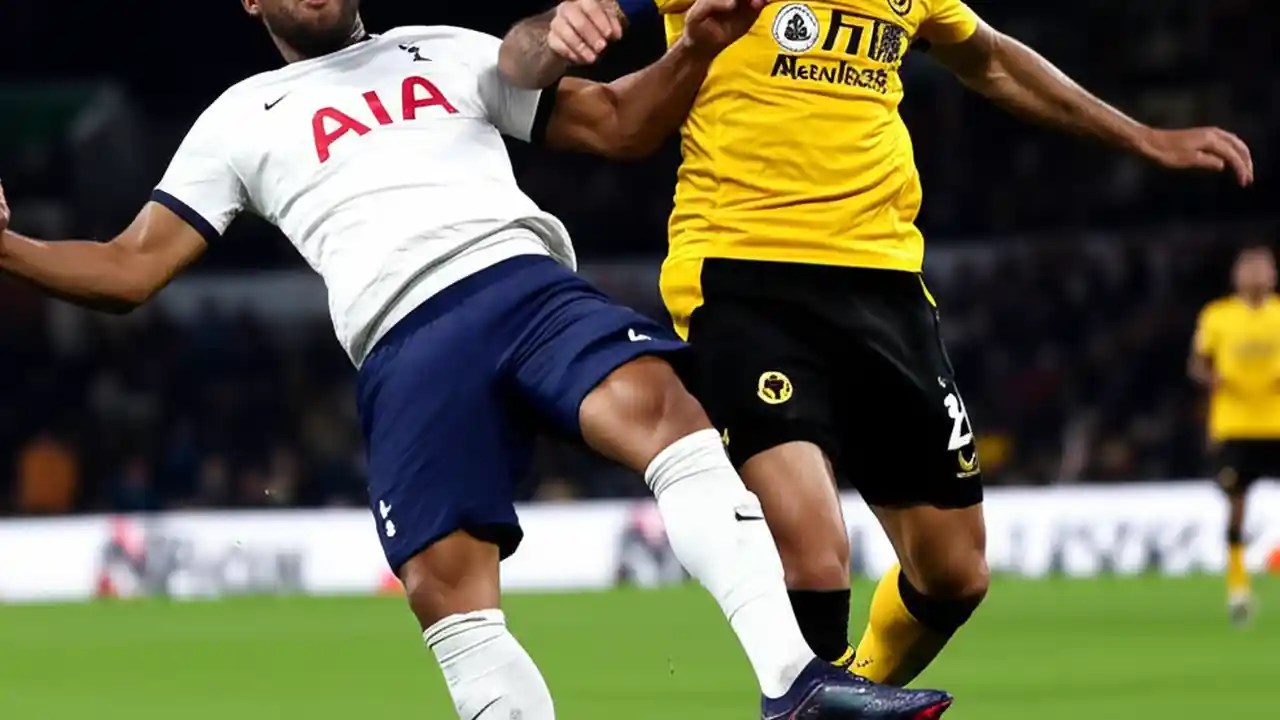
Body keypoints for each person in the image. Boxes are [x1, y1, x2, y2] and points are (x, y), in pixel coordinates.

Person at [0, 1, 955, 718]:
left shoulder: (447, 49)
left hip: (521, 282)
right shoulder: (239, 117)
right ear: (251, 2)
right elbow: (130, 268)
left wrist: (696, 46)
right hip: (402, 339)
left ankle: (794, 682)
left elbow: (619, 122)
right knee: (448, 599)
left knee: (669, 412)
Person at [498, 0, 1256, 686]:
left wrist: (1144, 137)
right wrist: (555, 34)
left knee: (955, 574)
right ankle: (813, 701)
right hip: (743, 274)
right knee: (815, 550)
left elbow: (989, 57)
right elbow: (518, 61)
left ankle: (848, 694)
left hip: (885, 286)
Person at [1190, 245, 1279, 626]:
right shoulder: (1217, 316)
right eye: (1250, 268)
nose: (1257, 274)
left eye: (1264, 268)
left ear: (1274, 274)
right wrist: (1212, 379)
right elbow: (1196, 364)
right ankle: (1238, 589)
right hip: (1235, 426)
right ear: (1236, 275)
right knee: (1237, 504)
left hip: (1276, 422)